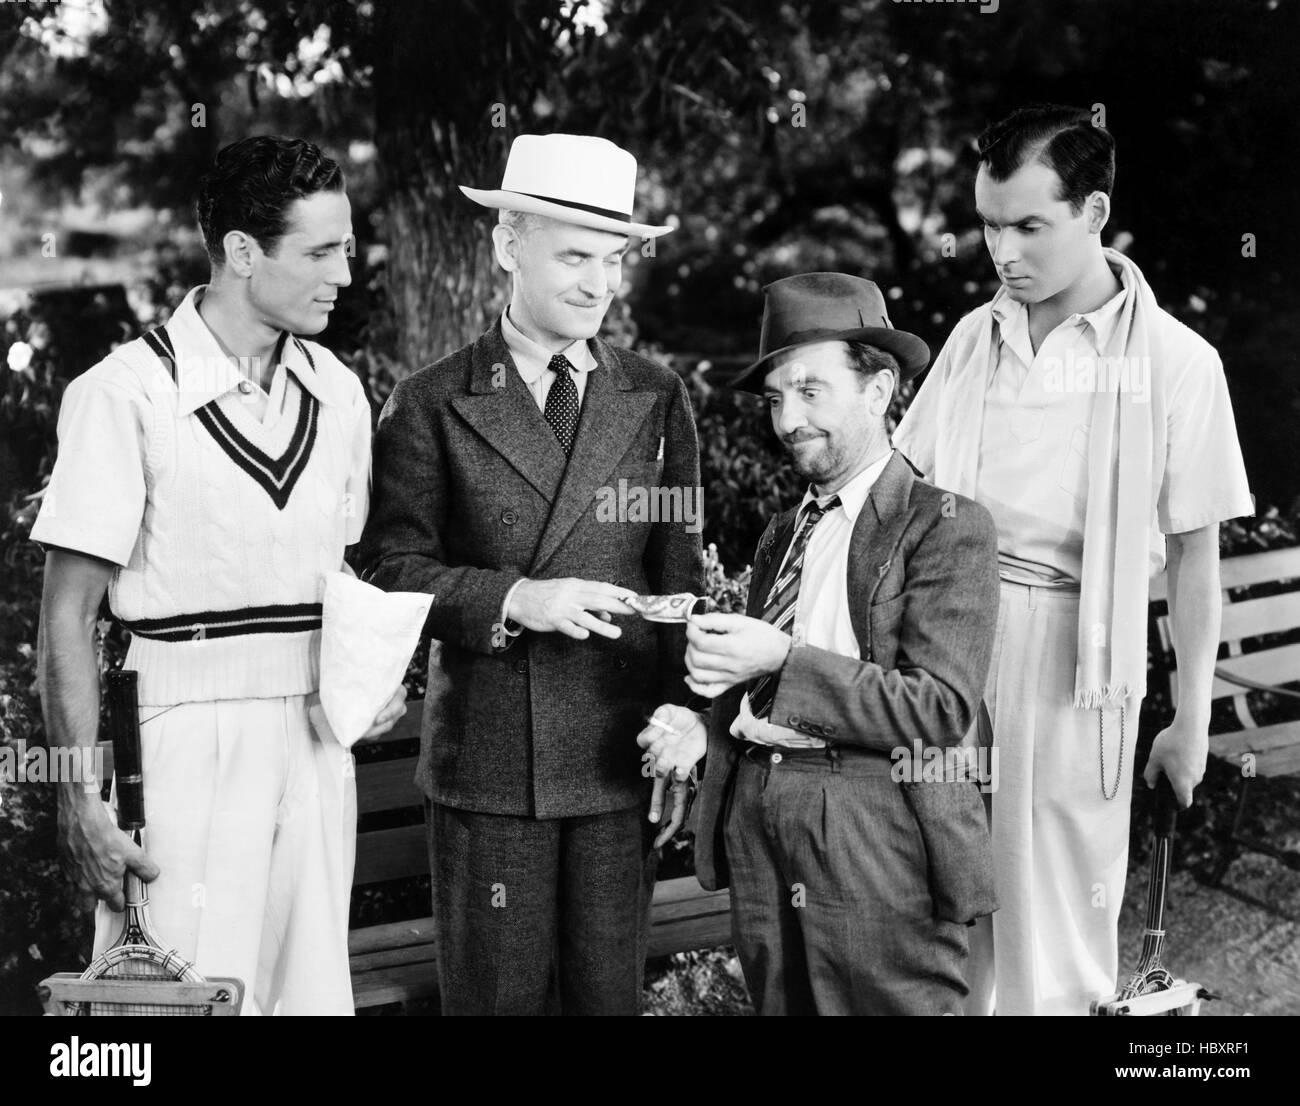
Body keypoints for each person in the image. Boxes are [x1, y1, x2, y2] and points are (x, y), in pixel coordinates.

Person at [892, 105, 1254, 1016]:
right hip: (948, 639)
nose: (1001, 251)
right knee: (938, 903)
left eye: (1027, 226)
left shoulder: (1179, 363)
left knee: (1054, 924)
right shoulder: (976, 338)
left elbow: (1194, 555)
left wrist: (1193, 720)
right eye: (985, 224)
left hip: (1078, 661)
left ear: (1094, 213)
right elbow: (896, 490)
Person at [33, 135, 406, 1015]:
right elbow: (66, 618)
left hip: (317, 747)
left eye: (346, 248)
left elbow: (344, 575)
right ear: (242, 252)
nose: (343, 276)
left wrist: (367, 677)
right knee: (170, 1006)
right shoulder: (123, 393)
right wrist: (78, 798)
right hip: (178, 741)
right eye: (319, 252)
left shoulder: (340, 394)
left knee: (308, 1000)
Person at [356, 133, 704, 1016]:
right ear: (508, 244)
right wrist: (516, 597)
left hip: (615, 758)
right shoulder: (430, 401)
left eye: (614, 258)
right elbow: (392, 569)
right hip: (490, 769)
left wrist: (685, 719)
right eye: (575, 256)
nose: (601, 283)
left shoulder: (656, 396)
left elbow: (678, 575)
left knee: (606, 1002)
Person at [639, 273, 1000, 1015]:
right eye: (775, 397)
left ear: (878, 390)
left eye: (811, 390)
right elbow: (762, 691)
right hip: (761, 816)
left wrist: (779, 660)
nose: (787, 418)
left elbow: (938, 710)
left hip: (874, 821)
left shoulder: (945, 524)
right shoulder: (785, 531)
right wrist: (703, 724)